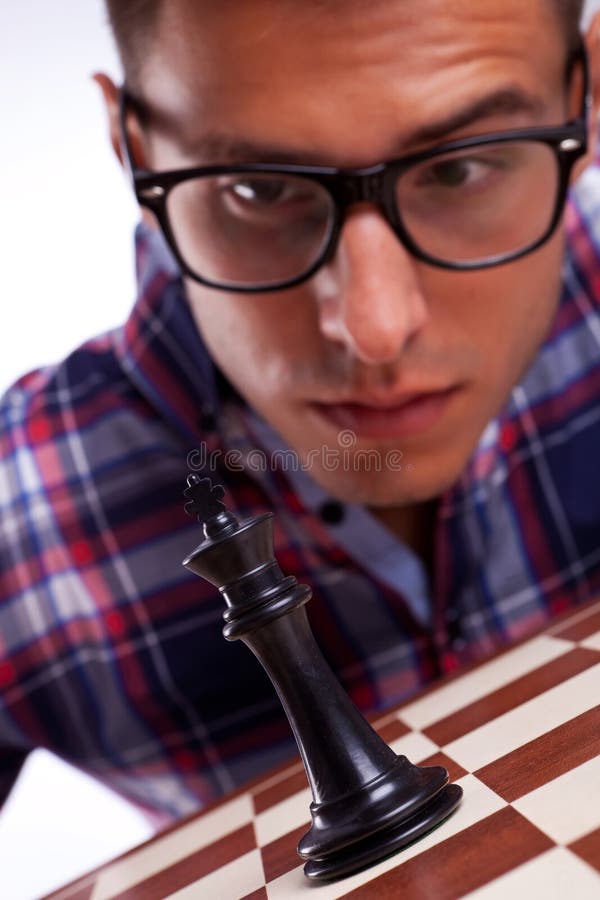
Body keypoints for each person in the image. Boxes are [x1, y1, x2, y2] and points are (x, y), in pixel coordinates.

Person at [1, 0, 599, 825]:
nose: (375, 327)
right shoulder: (14, 518)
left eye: (460, 167)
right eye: (260, 188)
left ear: (588, 97)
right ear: (133, 153)